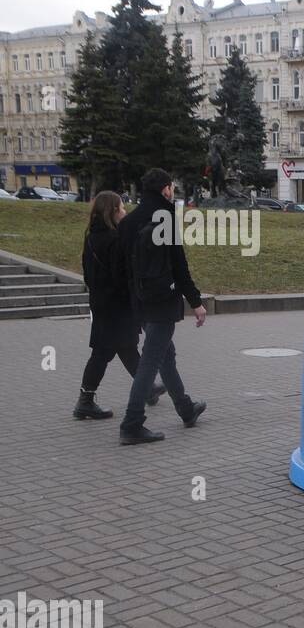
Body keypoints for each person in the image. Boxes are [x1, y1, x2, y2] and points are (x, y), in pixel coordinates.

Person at [116, 168, 207, 445]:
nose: (173, 191)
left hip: (140, 301)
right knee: (151, 361)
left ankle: (185, 408)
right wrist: (196, 302)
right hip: (163, 301)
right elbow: (179, 266)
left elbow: (121, 267)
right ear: (166, 189)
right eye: (171, 187)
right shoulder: (165, 217)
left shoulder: (129, 221)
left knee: (165, 355)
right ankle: (132, 423)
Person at [73, 191, 162, 420]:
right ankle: (85, 401)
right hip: (117, 307)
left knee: (126, 347)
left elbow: (87, 274)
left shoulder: (91, 237)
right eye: (122, 208)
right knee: (104, 352)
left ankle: (147, 387)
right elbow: (123, 276)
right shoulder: (115, 239)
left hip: (101, 304)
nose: (125, 212)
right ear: (112, 212)